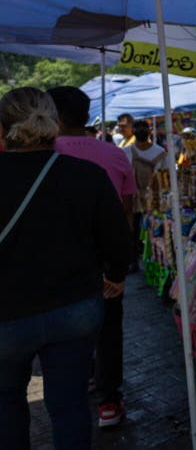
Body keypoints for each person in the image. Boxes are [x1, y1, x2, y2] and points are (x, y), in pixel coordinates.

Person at [0, 88, 130, 449]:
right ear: (53, 123)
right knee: (69, 404)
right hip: (75, 310)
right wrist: (116, 276)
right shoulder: (87, 175)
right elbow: (119, 239)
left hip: (7, 315)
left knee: (6, 401)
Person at [48, 86, 137, 428]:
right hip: (104, 260)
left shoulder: (37, 154)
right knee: (109, 328)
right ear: (87, 116)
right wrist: (119, 263)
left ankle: (83, 379)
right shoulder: (114, 154)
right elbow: (127, 212)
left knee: (65, 332)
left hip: (57, 263)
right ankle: (109, 402)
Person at [125, 120, 166, 267]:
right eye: (138, 129)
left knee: (154, 231)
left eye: (143, 129)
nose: (141, 132)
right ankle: (133, 261)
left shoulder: (160, 152)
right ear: (133, 132)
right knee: (132, 230)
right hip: (133, 196)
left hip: (156, 197)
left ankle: (155, 262)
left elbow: (165, 176)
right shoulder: (127, 151)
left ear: (149, 132)